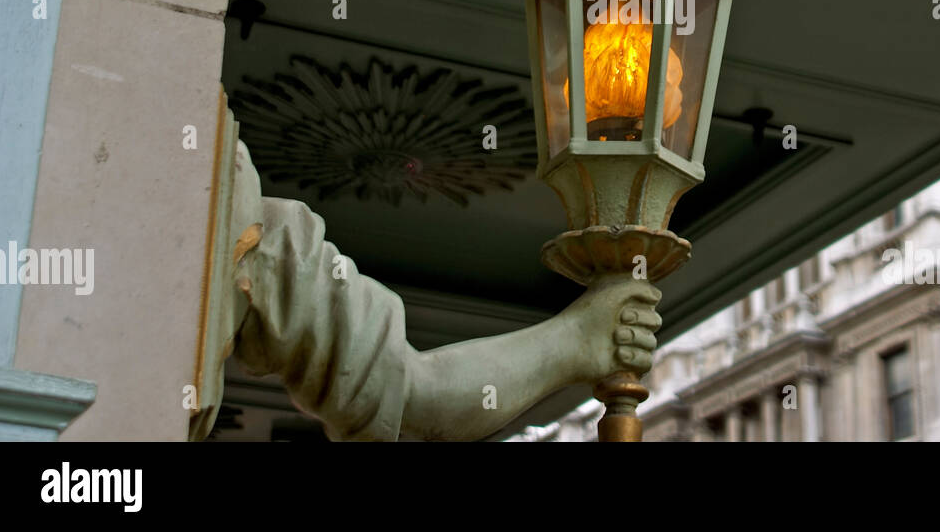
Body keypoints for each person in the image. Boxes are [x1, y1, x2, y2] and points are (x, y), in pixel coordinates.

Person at [192, 140, 661, 441]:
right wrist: (577, 341)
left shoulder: (239, 219)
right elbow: (415, 398)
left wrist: (577, 340)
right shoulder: (237, 218)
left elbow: (414, 396)